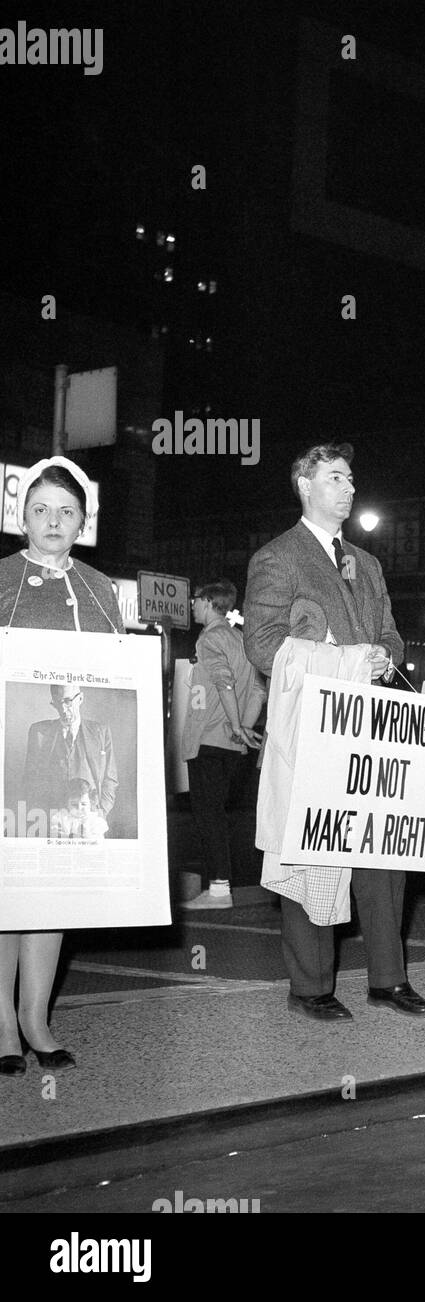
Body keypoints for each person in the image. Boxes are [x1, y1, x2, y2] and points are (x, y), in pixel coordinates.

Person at [244, 442, 425, 1022]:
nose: (349, 488)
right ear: (305, 485)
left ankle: (387, 978)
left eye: (352, 479)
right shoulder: (278, 558)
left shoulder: (367, 564)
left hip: (372, 727)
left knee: (383, 852)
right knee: (310, 849)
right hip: (313, 728)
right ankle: (310, 985)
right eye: (335, 478)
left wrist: (380, 655)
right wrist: (344, 660)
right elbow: (263, 646)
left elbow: (394, 639)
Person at [1, 456, 124, 1076]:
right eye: (41, 509)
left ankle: (36, 1019)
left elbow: (117, 670)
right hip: (13, 763)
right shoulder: (0, 578)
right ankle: (1, 1023)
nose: (53, 521)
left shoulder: (101, 592)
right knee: (7, 892)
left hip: (74, 785)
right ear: (21, 516)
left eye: (66, 512)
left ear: (84, 521)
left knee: (52, 894)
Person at [180, 580, 265, 910]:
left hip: (209, 737)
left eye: (195, 600)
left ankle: (218, 890)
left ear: (207, 601)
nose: (191, 605)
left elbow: (222, 680)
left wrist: (232, 722)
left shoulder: (210, 637)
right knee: (217, 815)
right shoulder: (244, 641)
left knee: (208, 816)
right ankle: (219, 886)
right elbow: (259, 690)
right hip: (231, 743)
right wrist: (243, 725)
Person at [25, 684, 119, 830]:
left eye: (68, 701)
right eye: (57, 702)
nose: (63, 709)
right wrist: (45, 818)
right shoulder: (38, 733)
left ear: (80, 698)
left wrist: (100, 814)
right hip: (51, 822)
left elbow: (110, 778)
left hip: (90, 821)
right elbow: (30, 780)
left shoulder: (101, 732)